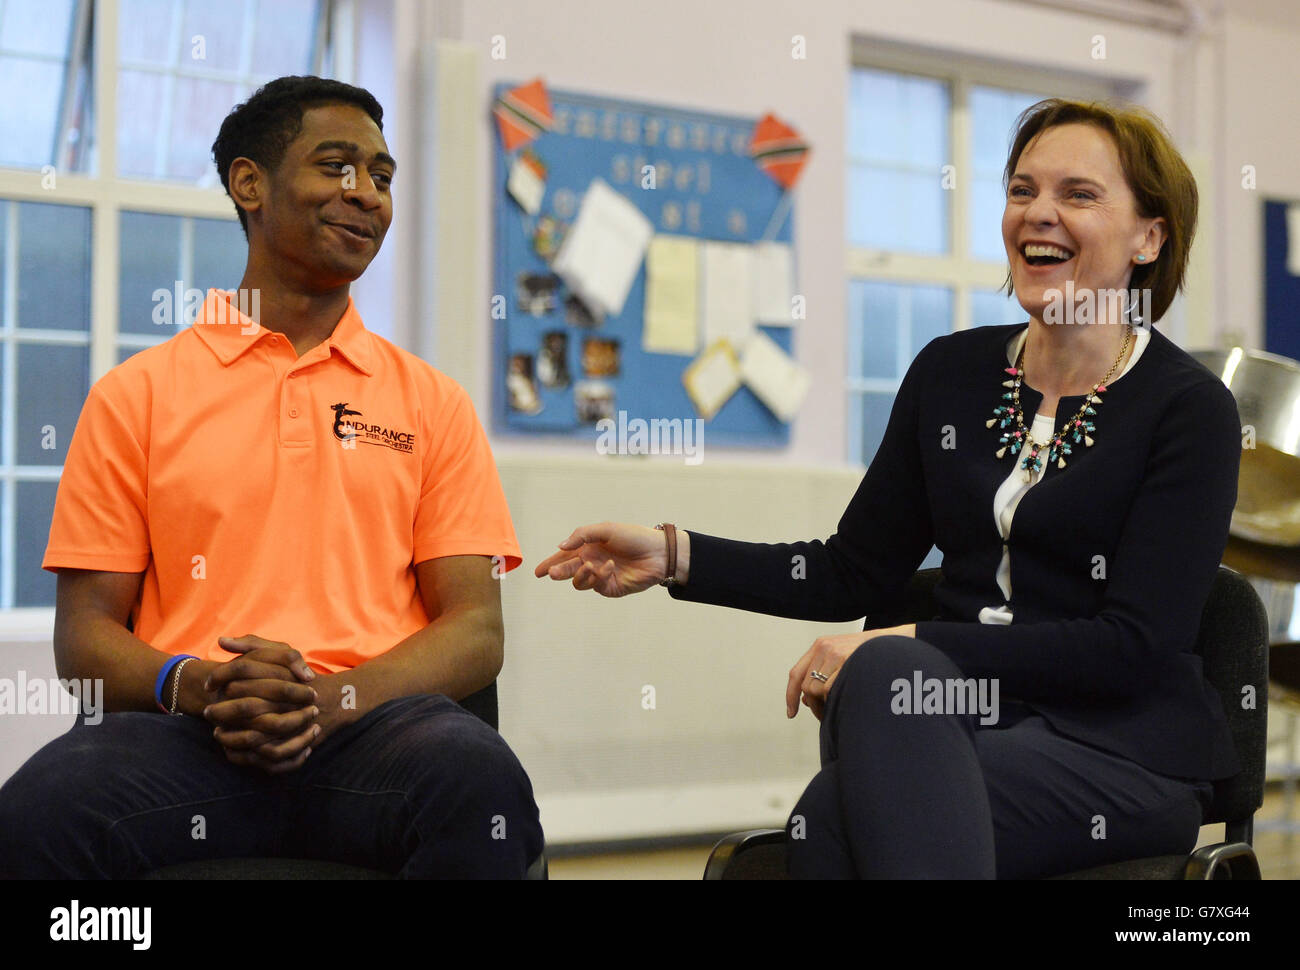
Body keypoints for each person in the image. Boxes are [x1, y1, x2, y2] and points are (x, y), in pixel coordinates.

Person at [534, 99, 1244, 878]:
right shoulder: (952, 372)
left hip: (1116, 754)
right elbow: (850, 568)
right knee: (849, 783)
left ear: (1150, 235)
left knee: (833, 809)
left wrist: (906, 643)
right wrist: (673, 556)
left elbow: (1129, 650)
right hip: (958, 726)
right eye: (1020, 190)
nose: (1038, 213)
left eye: (1078, 194)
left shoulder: (1189, 408)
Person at [0, 76, 543, 878]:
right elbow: (84, 641)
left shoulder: (432, 403)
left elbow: (475, 630)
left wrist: (336, 697)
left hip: (374, 732)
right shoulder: (136, 396)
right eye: (337, 167)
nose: (366, 196)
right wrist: (203, 687)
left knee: (482, 790)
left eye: (382, 177)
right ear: (249, 183)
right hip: (188, 733)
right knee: (35, 818)